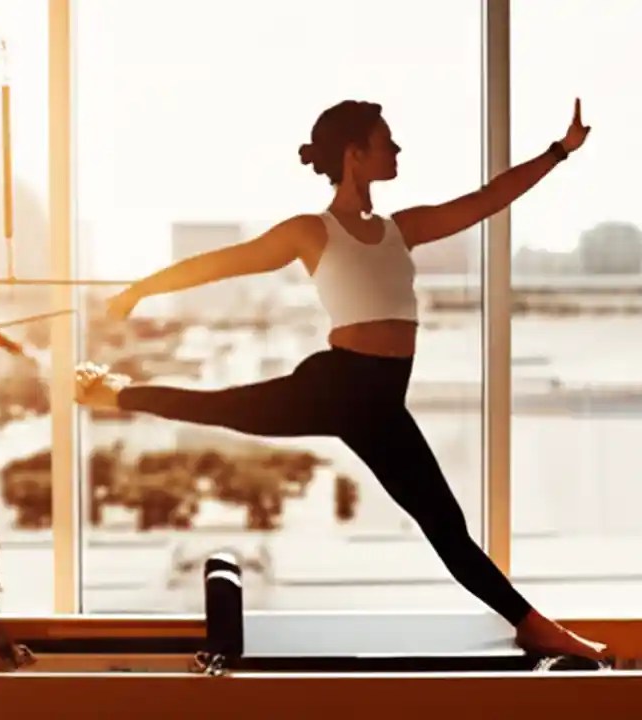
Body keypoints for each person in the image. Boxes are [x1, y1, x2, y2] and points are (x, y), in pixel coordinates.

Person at [75, 98, 606, 661]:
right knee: (220, 405)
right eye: (387, 141)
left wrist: (558, 152)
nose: (397, 150)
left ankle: (531, 624)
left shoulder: (403, 229)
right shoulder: (313, 232)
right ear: (355, 155)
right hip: (336, 387)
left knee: (445, 525)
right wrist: (139, 290)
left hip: (381, 402)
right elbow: (224, 262)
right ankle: (114, 393)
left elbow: (486, 200)